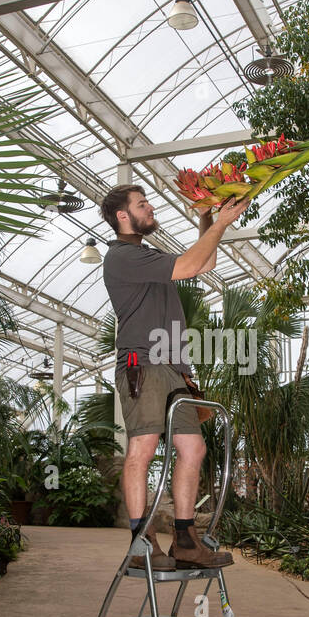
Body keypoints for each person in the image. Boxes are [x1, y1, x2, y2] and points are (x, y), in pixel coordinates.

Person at [99, 184, 250, 570]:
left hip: (173, 369)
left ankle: (184, 540)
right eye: (142, 204)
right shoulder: (121, 257)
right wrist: (223, 223)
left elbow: (203, 264)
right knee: (142, 450)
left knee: (194, 449)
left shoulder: (146, 255)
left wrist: (206, 218)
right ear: (122, 216)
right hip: (142, 365)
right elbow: (187, 266)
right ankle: (142, 542)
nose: (150, 208)